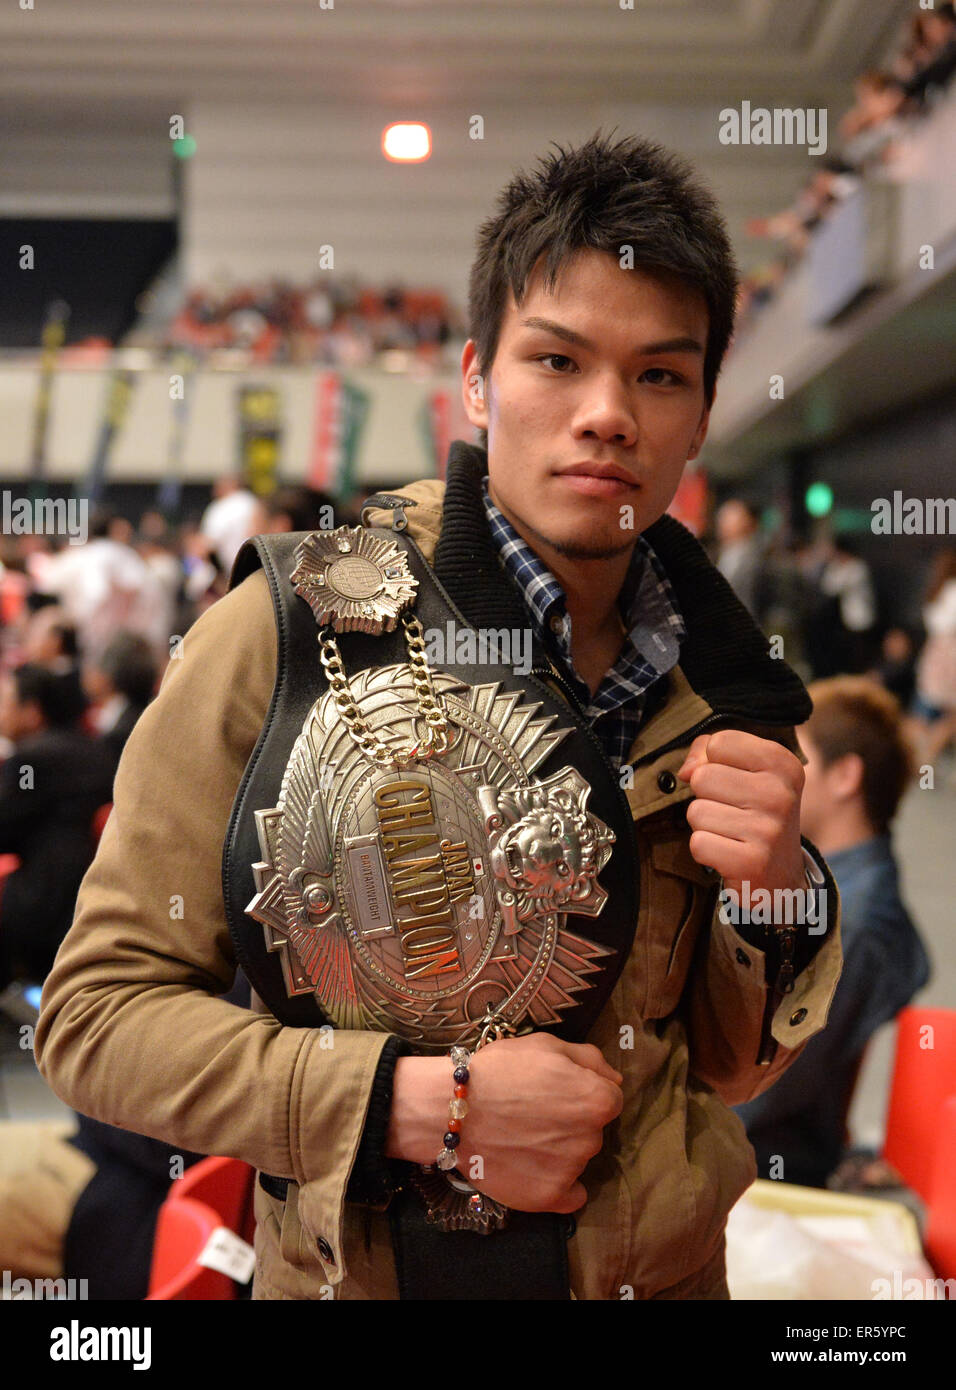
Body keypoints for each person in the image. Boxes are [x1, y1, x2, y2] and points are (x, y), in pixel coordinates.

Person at [34, 130, 842, 1301]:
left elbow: (725, 1067)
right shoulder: (290, 625)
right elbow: (96, 1020)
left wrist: (775, 890)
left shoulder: (728, 689)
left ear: (704, 409)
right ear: (475, 377)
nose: (606, 414)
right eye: (557, 361)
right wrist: (410, 1104)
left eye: (658, 375)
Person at [735, 677, 930, 1188]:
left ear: (845, 776)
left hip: (765, 1178)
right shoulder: (843, 890)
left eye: (797, 759)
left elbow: (763, 1091)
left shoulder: (855, 920)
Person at [0, 664, 114, 987]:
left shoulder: (32, 760)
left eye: (7, 701)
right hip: (90, 900)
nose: (1, 711)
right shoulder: (94, 748)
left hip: (43, 908)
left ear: (32, 712)